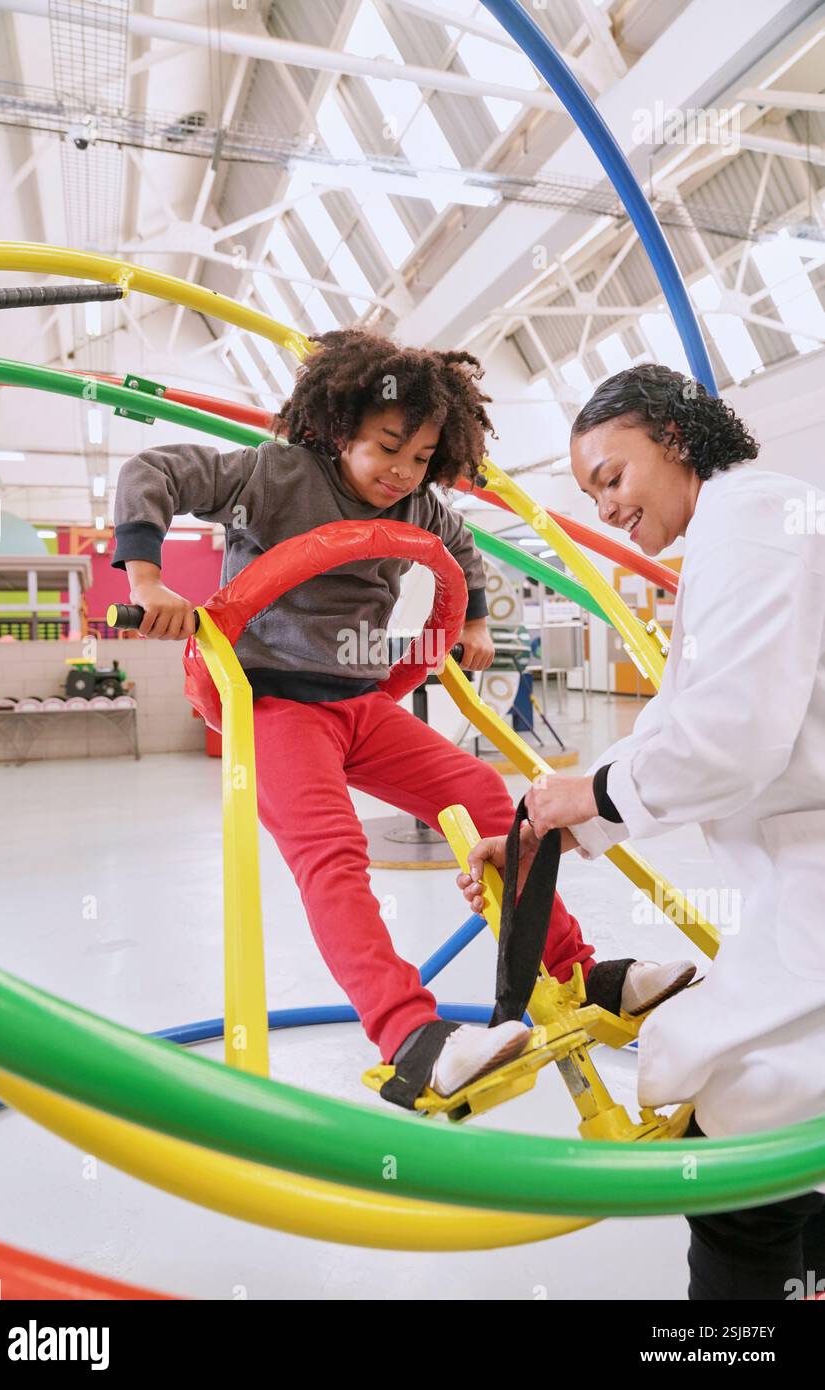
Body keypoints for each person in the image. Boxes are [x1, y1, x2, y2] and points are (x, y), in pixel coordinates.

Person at [111, 330, 694, 1105]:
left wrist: (474, 625)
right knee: (332, 851)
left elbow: (460, 546)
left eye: (420, 457)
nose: (401, 472)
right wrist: (148, 579)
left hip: (359, 701)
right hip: (274, 703)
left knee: (498, 803)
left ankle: (580, 974)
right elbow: (151, 469)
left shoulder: (418, 504)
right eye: (387, 447)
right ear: (339, 425)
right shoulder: (272, 471)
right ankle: (412, 1039)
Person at [465, 362, 825, 1299]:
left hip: (809, 905)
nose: (606, 507)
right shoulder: (735, 530)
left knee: (742, 1168)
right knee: (788, 1155)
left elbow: (729, 740)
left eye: (611, 477)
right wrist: (561, 832)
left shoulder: (750, 527)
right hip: (793, 891)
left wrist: (580, 799)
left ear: (673, 439)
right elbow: (679, 725)